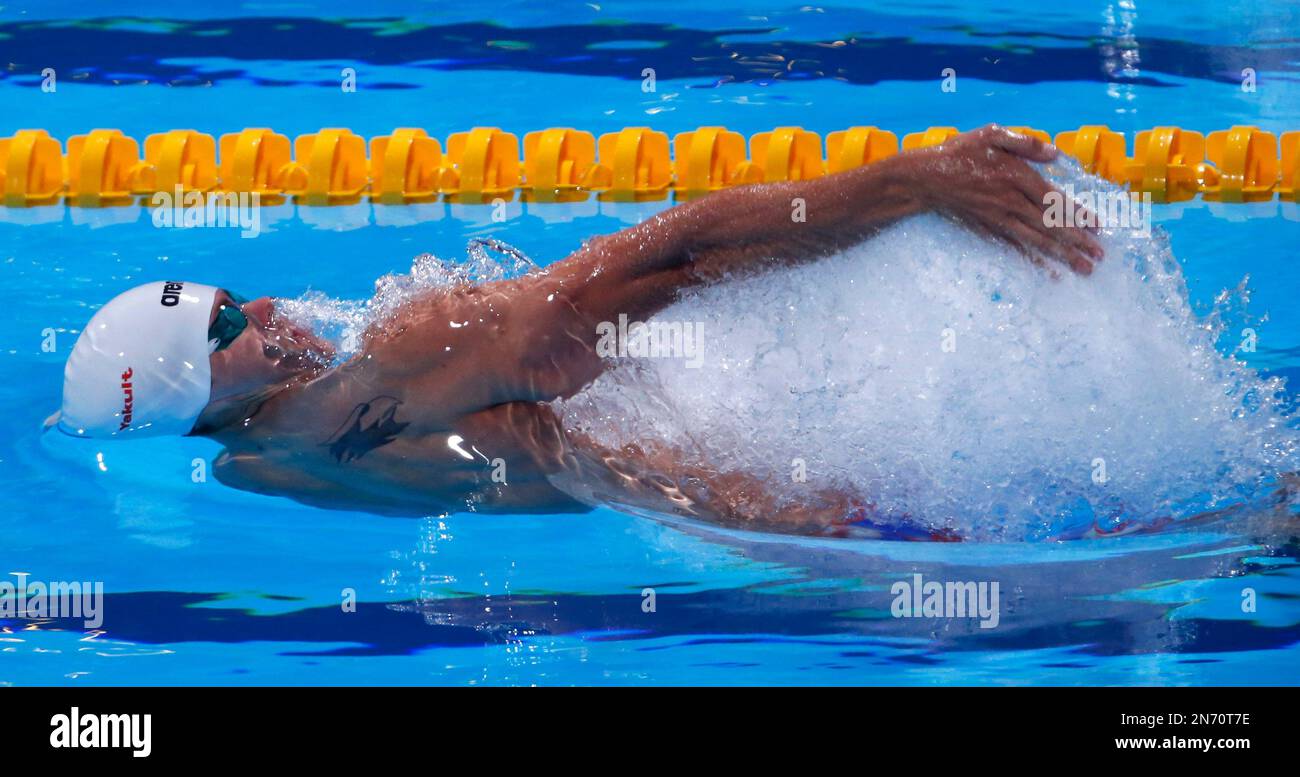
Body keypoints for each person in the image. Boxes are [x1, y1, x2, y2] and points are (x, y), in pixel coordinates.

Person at [53, 125, 1101, 537]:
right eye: (231, 321)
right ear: (203, 386)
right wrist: (906, 183)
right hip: (798, 491)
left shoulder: (262, 470)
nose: (269, 307)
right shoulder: (417, 343)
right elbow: (667, 257)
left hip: (763, 532)